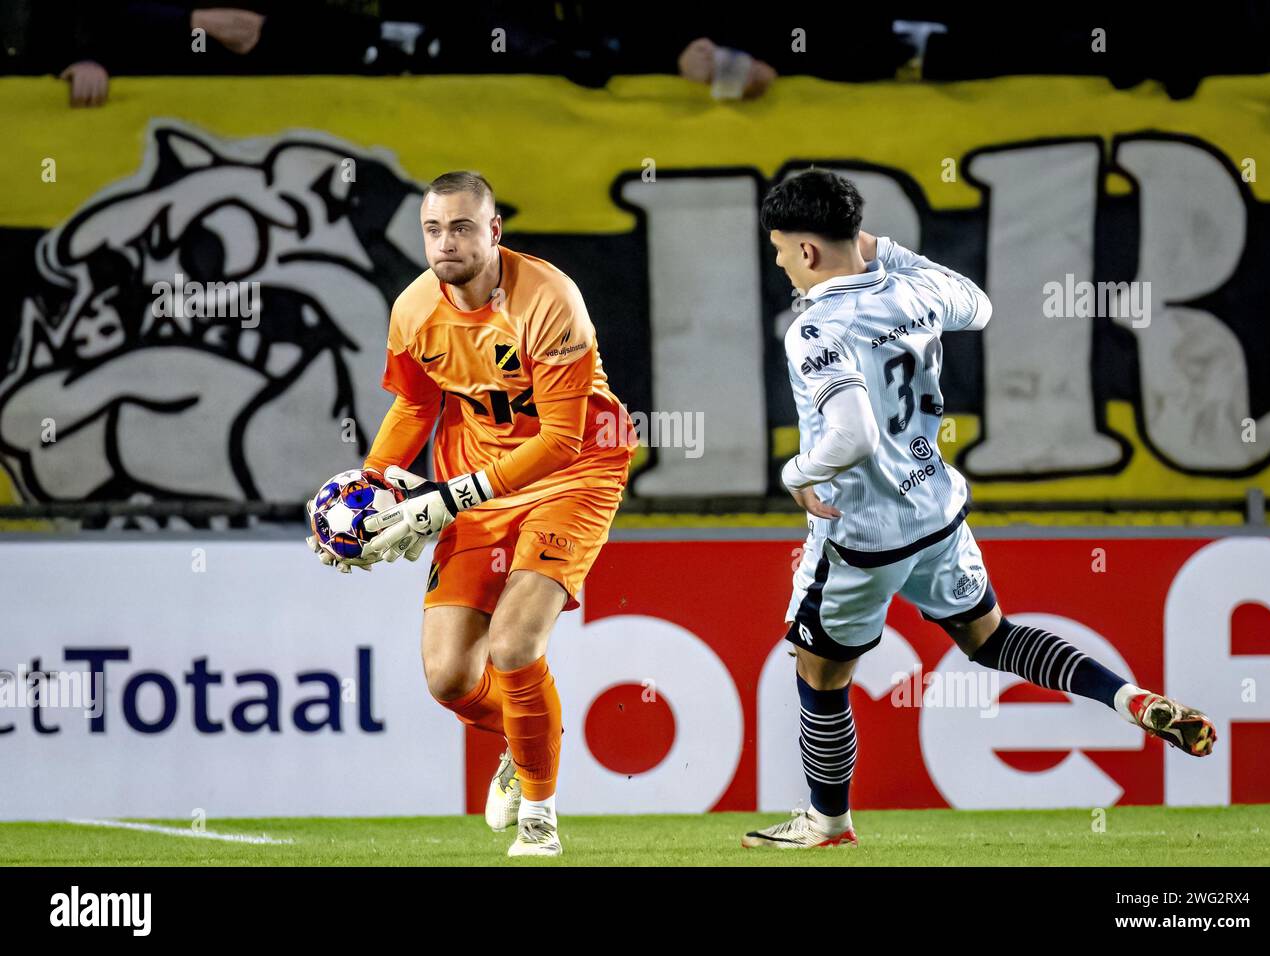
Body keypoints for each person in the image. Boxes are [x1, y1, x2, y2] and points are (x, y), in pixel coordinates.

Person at [743, 169, 1216, 849]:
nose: (784, 264)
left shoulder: (815, 327)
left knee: (818, 670)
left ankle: (827, 822)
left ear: (808, 252)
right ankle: (1126, 698)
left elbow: (851, 435)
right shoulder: (916, 287)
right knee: (991, 637)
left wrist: (796, 471)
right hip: (935, 509)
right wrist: (892, 253)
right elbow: (981, 305)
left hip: (862, 532)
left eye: (783, 251)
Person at [307, 171, 636, 857]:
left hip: (573, 477)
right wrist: (362, 499)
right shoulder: (413, 308)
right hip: (473, 483)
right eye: (433, 228)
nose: (444, 241)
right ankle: (528, 736)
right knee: (450, 678)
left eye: (461, 226)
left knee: (516, 646)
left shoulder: (549, 300)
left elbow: (561, 439)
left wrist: (449, 498)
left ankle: (540, 815)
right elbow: (416, 405)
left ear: (494, 231)